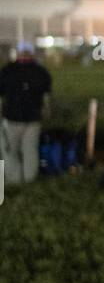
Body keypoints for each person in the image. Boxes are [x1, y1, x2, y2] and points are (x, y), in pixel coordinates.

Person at [0, 42, 53, 185]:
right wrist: (46, 111)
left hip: (12, 118)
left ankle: (14, 179)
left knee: (10, 151)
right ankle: (30, 178)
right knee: (30, 150)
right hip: (33, 119)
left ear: (17, 53)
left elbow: (1, 95)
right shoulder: (41, 71)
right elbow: (46, 96)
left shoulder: (7, 70)